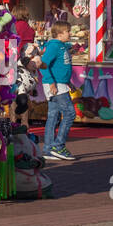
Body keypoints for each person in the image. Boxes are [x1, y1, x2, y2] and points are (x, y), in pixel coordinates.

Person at [40, 21, 76, 161]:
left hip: (61, 84)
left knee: (53, 116)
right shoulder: (54, 46)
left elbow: (61, 67)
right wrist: (51, 83)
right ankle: (58, 146)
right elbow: (44, 65)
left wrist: (69, 83)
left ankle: (48, 149)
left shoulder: (61, 46)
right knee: (70, 113)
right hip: (56, 86)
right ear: (60, 34)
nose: (70, 34)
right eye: (68, 31)